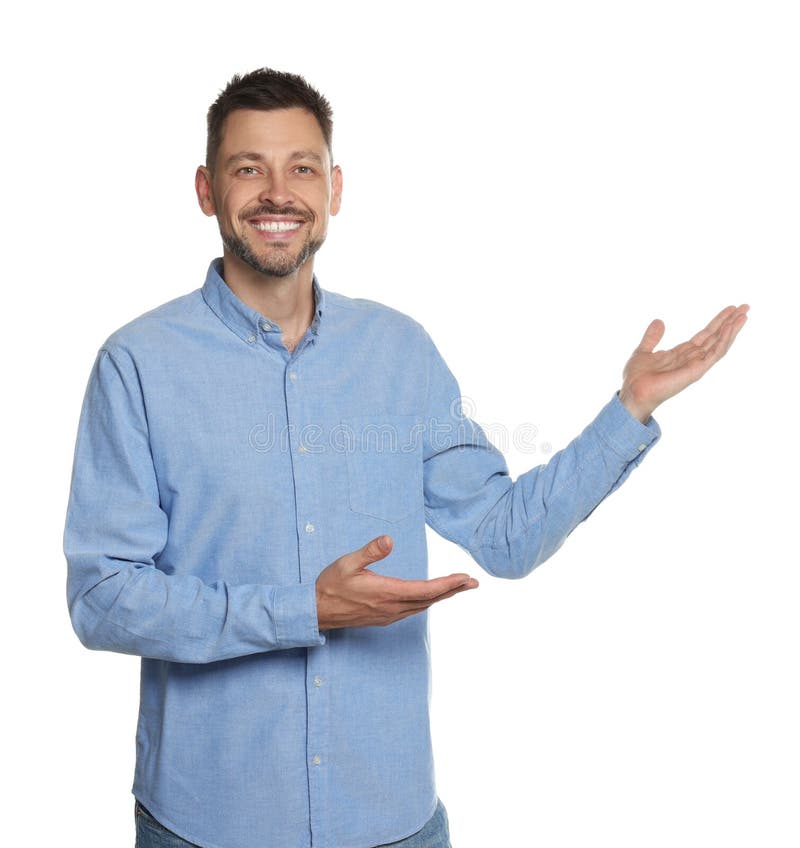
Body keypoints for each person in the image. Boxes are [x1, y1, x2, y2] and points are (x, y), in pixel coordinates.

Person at [62, 67, 748, 848]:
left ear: (336, 188)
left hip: (391, 823)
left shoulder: (398, 352)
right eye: (249, 168)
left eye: (303, 167)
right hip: (209, 824)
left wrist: (629, 411)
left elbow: (505, 534)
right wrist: (303, 610)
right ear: (206, 189)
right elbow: (104, 597)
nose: (277, 192)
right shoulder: (138, 364)